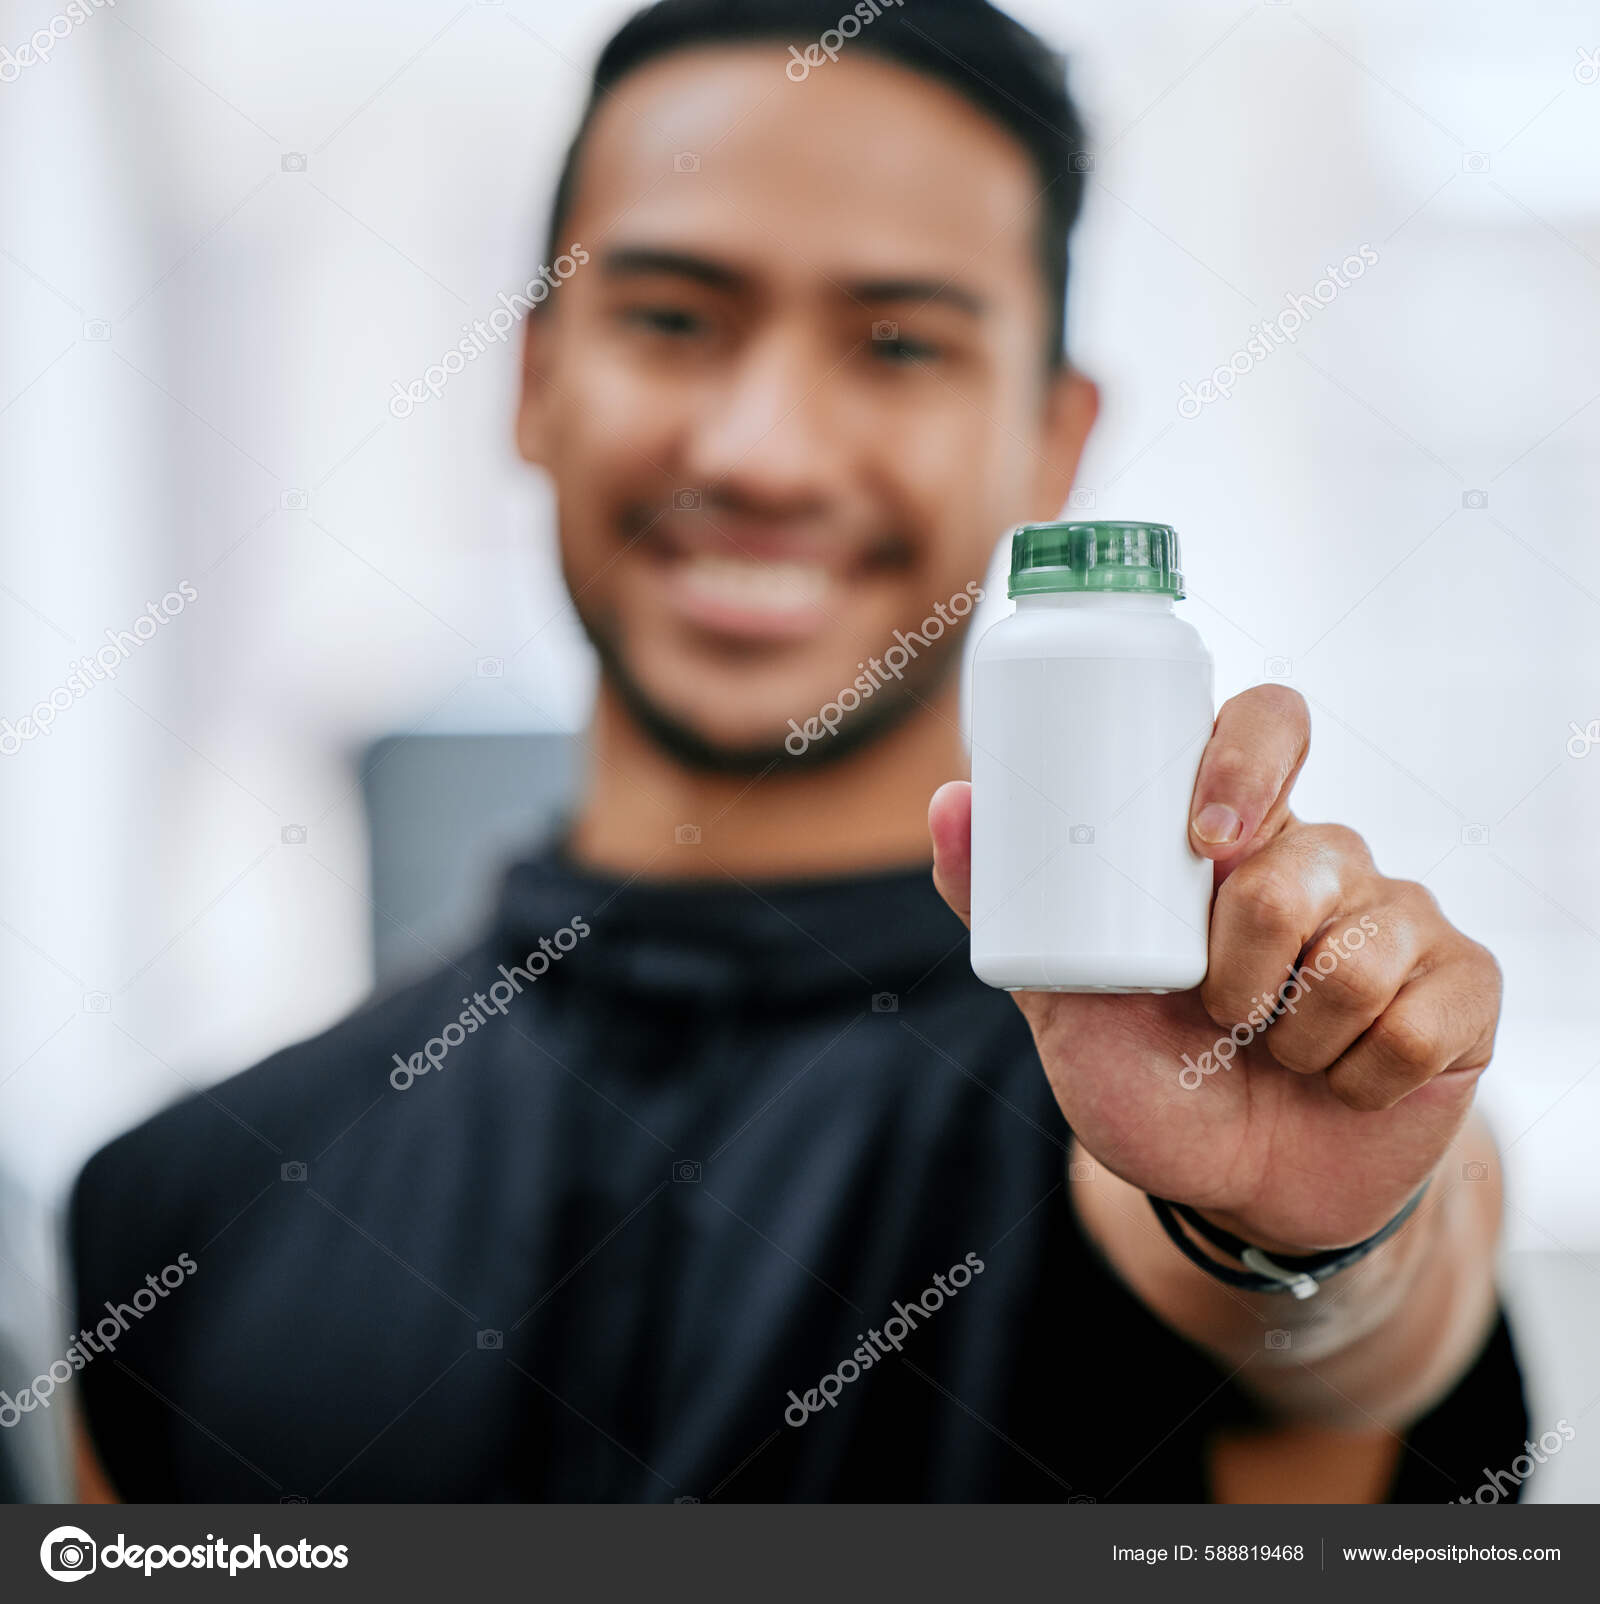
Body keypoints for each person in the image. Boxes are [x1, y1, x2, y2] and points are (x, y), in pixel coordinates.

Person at [69, 0, 1525, 1503]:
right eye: (673, 319)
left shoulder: (1191, 1090)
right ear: (536, 381)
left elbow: (1343, 1327)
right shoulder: (178, 1211)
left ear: (1052, 445)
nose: (763, 449)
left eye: (900, 344)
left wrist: (1317, 1247)